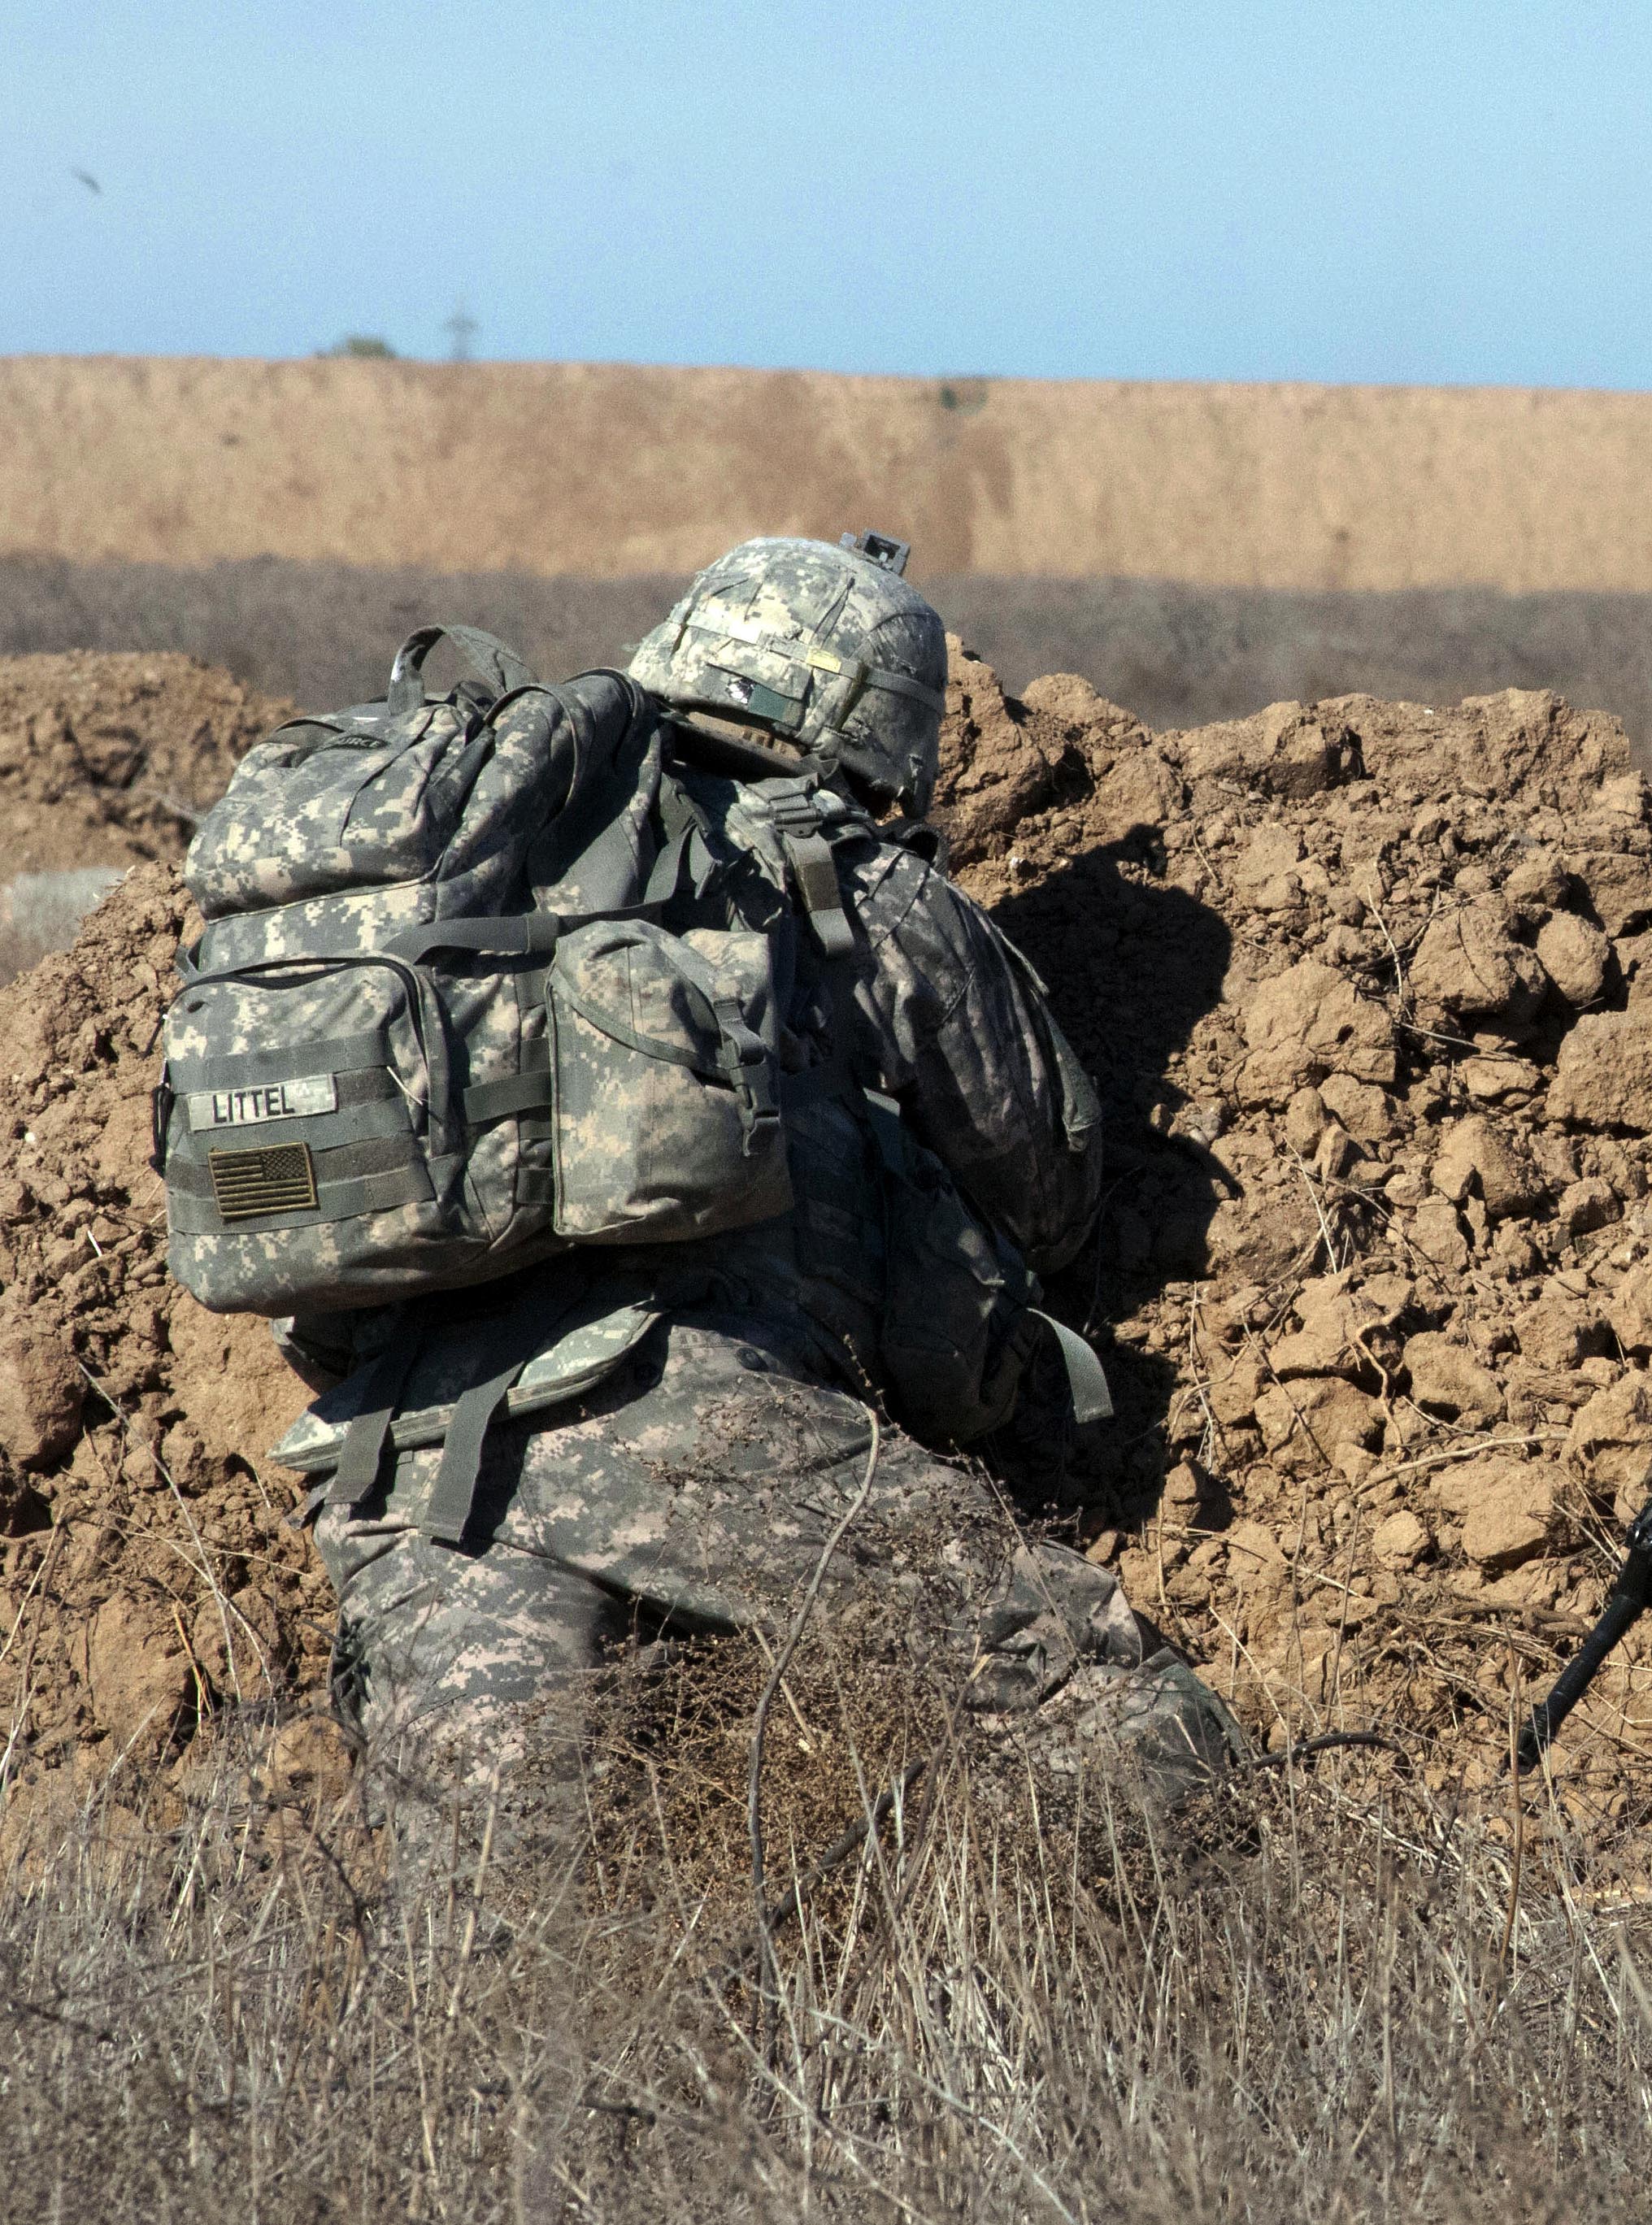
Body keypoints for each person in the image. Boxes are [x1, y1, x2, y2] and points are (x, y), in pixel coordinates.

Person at [230, 535, 1237, 1857]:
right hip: (701, 1438)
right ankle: (1232, 1957)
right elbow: (1046, 1181)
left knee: (482, 1935)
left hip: (404, 1469)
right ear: (871, 718)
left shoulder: (485, 854)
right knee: (1106, 1706)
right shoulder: (853, 881)